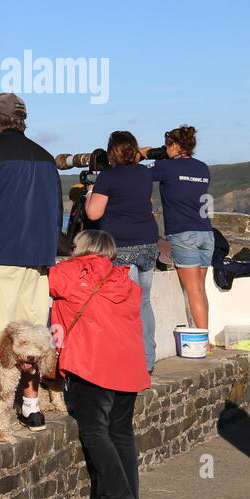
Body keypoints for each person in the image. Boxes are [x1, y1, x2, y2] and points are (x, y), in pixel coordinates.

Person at [0, 93, 63, 429]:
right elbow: (55, 213)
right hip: (37, 259)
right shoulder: (46, 159)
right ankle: (32, 406)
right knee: (31, 338)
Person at [48, 230, 150, 499]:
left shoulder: (68, 271)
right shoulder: (124, 279)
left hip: (91, 362)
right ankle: (128, 492)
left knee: (94, 430)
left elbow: (37, 283)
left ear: (80, 246)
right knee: (120, 431)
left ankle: (118, 497)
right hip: (128, 364)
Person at [82, 131, 159, 372]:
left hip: (121, 247)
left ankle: (128, 361)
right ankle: (147, 360)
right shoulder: (145, 173)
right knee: (144, 303)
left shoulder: (108, 176)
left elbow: (94, 214)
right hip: (148, 243)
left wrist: (89, 194)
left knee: (125, 305)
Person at [147, 125, 213, 332]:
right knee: (200, 290)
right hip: (206, 233)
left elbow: (139, 174)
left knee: (193, 290)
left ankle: (203, 340)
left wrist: (142, 154)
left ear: (174, 145)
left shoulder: (166, 167)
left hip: (184, 234)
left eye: (167, 144)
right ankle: (205, 335)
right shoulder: (203, 167)